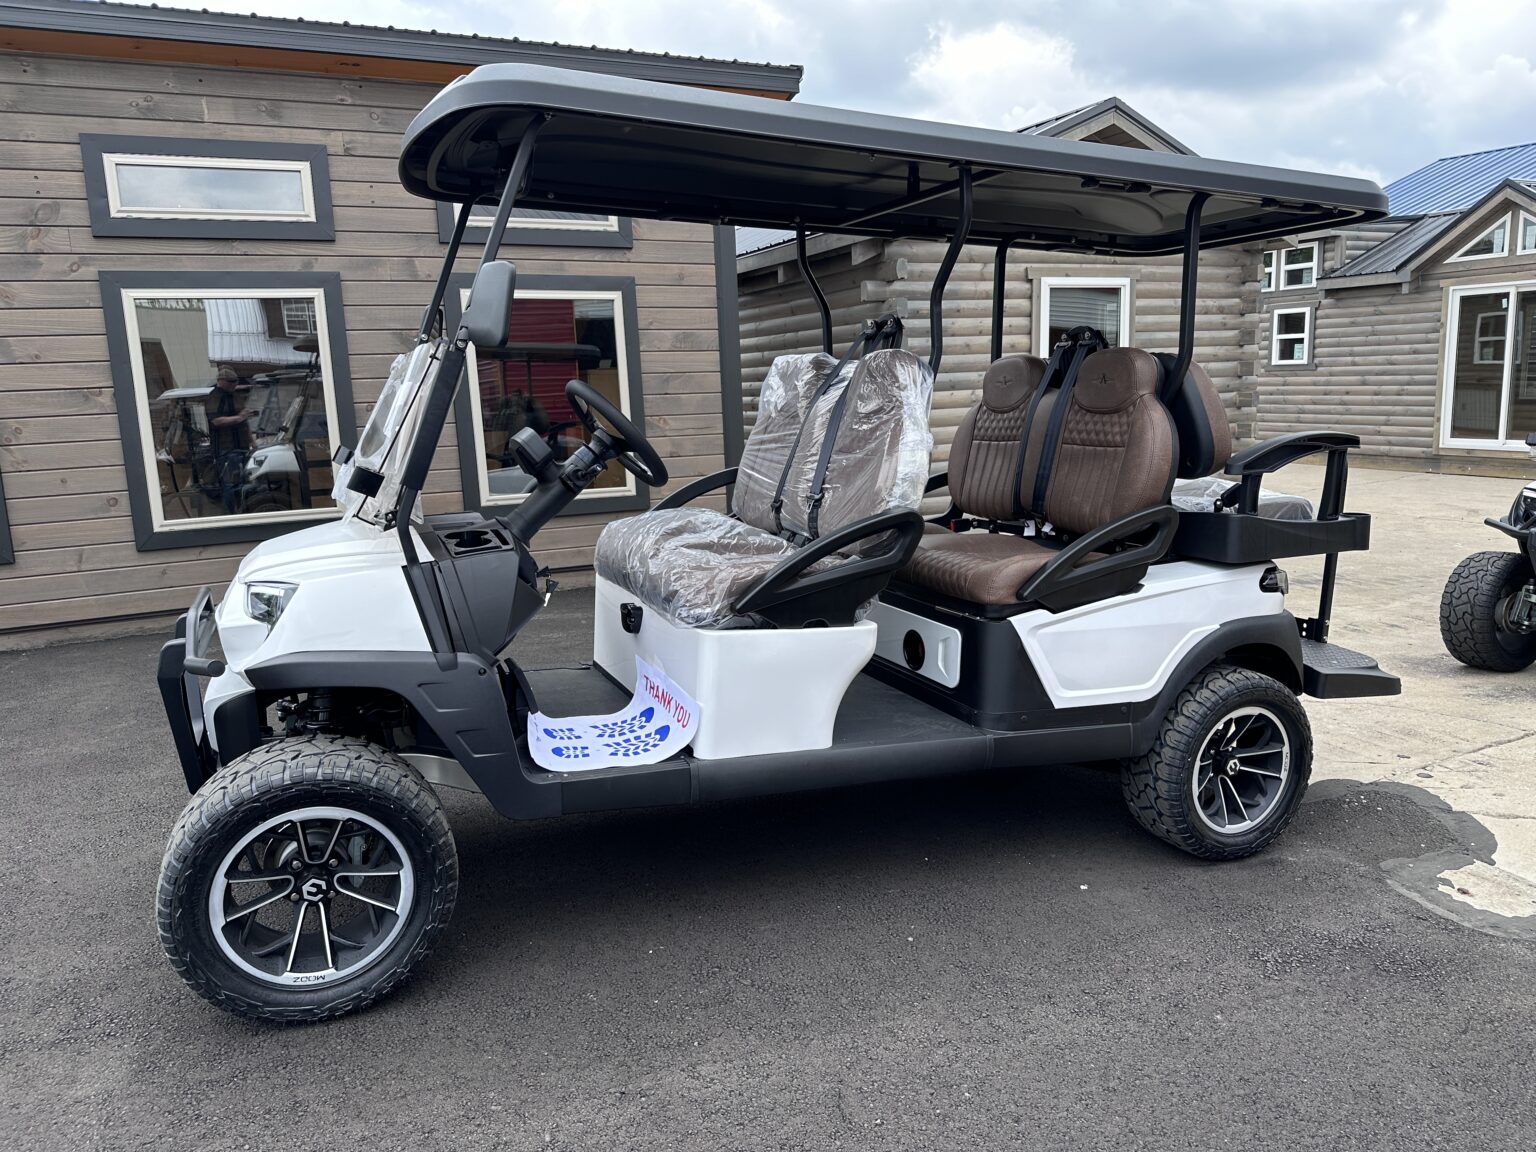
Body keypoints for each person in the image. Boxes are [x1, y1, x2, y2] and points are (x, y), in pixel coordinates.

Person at [207, 366, 257, 514]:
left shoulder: (235, 395)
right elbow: (215, 421)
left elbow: (244, 421)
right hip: (226, 448)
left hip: (241, 446)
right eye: (230, 381)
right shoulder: (214, 397)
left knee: (243, 482)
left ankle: (244, 510)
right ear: (221, 381)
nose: (234, 384)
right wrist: (239, 418)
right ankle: (232, 514)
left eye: (235, 381)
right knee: (230, 483)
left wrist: (252, 442)